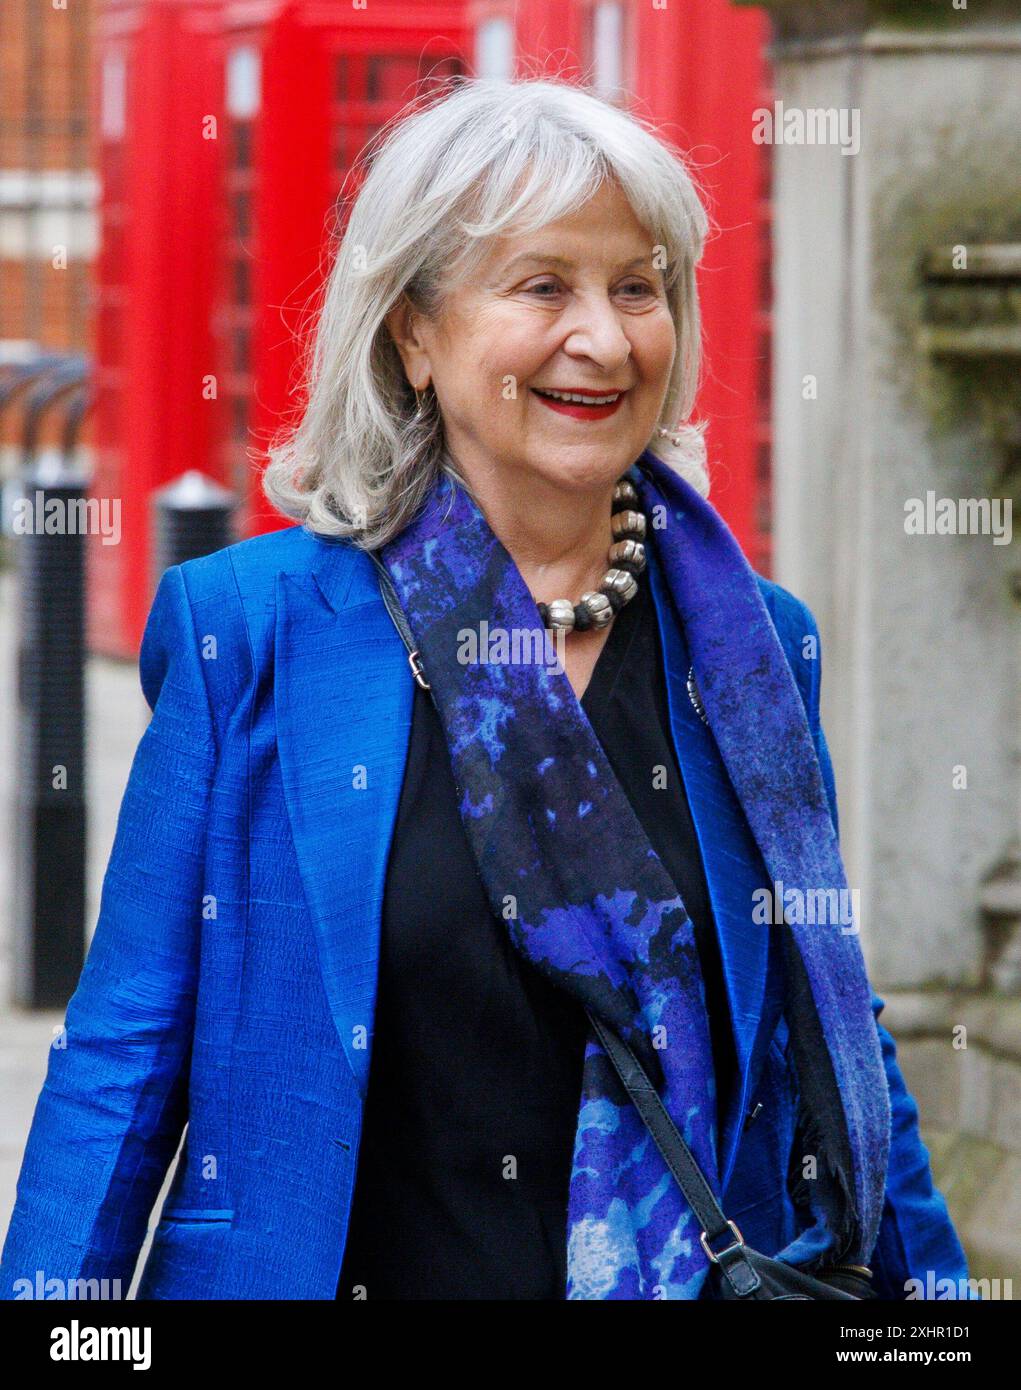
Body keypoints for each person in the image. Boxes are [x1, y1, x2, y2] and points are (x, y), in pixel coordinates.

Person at [0, 77, 969, 1301]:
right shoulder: (252, 631)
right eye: (543, 285)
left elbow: (830, 1022)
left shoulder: (755, 645)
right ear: (414, 331)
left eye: (639, 284)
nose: (606, 338)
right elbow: (126, 1049)